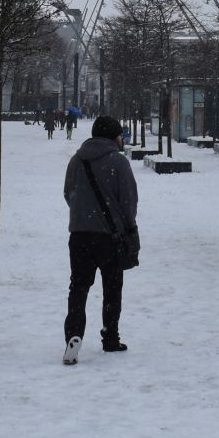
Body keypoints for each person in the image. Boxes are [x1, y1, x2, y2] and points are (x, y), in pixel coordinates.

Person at [61, 115, 138, 365]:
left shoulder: (77, 160)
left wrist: (84, 214)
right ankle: (110, 336)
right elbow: (129, 200)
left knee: (79, 287)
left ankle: (73, 334)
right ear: (113, 137)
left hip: (79, 235)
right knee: (112, 288)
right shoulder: (119, 162)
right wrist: (126, 224)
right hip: (110, 238)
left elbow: (68, 193)